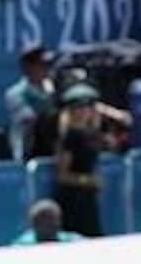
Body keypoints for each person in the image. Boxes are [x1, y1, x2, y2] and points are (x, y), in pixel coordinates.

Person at [52, 83, 130, 236]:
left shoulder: (92, 134)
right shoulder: (69, 137)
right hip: (73, 199)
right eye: (79, 107)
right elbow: (62, 175)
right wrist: (88, 180)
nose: (85, 111)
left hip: (88, 197)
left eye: (89, 106)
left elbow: (124, 125)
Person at [4, 45, 56, 161]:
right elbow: (32, 120)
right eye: (42, 65)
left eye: (48, 65)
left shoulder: (53, 89)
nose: (47, 69)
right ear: (27, 68)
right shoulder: (15, 94)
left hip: (54, 151)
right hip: (27, 154)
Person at [13, 199, 84, 245]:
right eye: (42, 220)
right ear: (33, 223)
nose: (47, 223)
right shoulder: (23, 245)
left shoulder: (72, 241)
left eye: (51, 219)